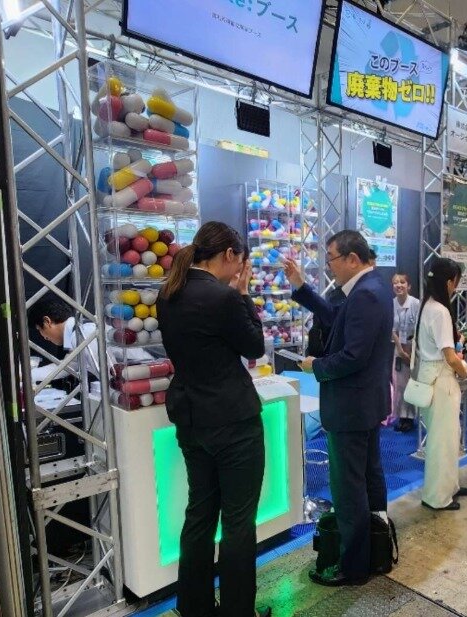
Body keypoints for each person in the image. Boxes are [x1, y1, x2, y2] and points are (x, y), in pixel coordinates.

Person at [156, 222, 270, 617]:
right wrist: (244, 294)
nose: (239, 270)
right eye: (239, 262)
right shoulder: (223, 297)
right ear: (229, 255)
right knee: (238, 522)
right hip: (233, 421)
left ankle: (195, 607)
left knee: (199, 515)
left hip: (191, 418)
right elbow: (254, 346)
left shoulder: (168, 293)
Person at [283, 230, 393, 587]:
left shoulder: (366, 294)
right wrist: (301, 288)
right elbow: (335, 317)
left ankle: (353, 567)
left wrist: (315, 365)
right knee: (368, 479)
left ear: (352, 259)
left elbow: (353, 356)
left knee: (348, 491)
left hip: (351, 407)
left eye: (331, 258)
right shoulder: (371, 288)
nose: (329, 266)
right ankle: (375, 552)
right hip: (364, 404)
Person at [414, 258, 467, 510]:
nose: (456, 287)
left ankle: (450, 487)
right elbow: (450, 356)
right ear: (449, 282)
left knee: (446, 437)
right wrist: (464, 371)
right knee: (442, 442)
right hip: (442, 379)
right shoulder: (440, 311)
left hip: (430, 377)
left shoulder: (427, 306)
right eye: (455, 282)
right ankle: (437, 497)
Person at [27, 297, 151, 382]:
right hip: (140, 376)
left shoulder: (82, 334)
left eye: (39, 330)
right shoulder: (79, 331)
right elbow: (66, 367)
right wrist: (27, 376)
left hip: (142, 378)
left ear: (47, 321)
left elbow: (110, 374)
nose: (44, 337)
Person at [391, 272, 420, 432]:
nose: (399, 285)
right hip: (399, 349)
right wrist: (401, 351)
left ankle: (412, 417)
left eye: (402, 282)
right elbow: (392, 330)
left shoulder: (416, 303)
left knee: (413, 382)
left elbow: (419, 328)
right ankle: (402, 417)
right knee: (400, 384)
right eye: (395, 282)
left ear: (409, 286)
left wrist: (411, 351)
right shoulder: (391, 304)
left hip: (414, 348)